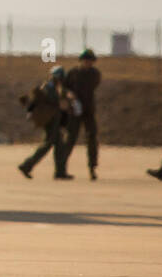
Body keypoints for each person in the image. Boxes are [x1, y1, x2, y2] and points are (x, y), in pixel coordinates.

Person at [18, 65, 75, 180]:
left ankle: (60, 172)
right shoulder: (48, 87)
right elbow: (52, 101)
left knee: (59, 146)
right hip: (50, 121)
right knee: (47, 145)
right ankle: (27, 165)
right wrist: (64, 100)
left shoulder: (55, 88)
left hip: (55, 120)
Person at [63, 49, 102, 180]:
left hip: (88, 110)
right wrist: (69, 94)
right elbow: (64, 87)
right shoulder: (73, 73)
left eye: (90, 62)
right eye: (86, 61)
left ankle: (92, 167)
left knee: (92, 137)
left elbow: (93, 86)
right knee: (70, 138)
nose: (88, 64)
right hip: (74, 110)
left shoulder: (95, 74)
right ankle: (62, 166)